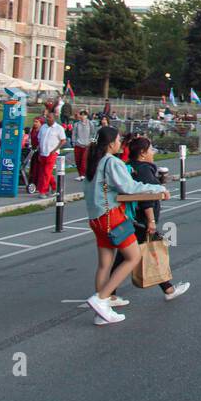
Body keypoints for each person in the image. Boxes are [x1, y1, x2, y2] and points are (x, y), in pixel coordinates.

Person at [83, 126, 169, 325]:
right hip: (112, 216)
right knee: (133, 256)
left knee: (104, 264)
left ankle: (101, 312)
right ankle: (102, 298)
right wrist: (158, 187)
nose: (121, 143)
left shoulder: (93, 162)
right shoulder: (112, 162)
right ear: (111, 143)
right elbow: (130, 187)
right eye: (119, 140)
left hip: (96, 218)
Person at [126, 136, 190, 301]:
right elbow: (146, 196)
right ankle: (168, 289)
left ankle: (108, 293)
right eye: (150, 149)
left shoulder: (131, 167)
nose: (153, 152)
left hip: (134, 218)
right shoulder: (144, 169)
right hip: (142, 220)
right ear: (142, 153)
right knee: (152, 252)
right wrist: (151, 220)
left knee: (125, 255)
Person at [35, 111, 67, 195]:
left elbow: (63, 141)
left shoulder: (59, 128)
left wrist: (55, 150)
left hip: (52, 153)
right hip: (43, 152)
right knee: (44, 172)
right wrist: (39, 149)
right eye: (47, 117)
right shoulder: (43, 127)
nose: (47, 119)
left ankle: (43, 191)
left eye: (49, 117)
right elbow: (39, 139)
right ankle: (54, 187)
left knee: (46, 172)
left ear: (54, 118)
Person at [71, 110, 94, 178]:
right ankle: (80, 174)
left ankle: (83, 174)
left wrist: (91, 141)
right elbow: (74, 134)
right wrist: (74, 142)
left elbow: (93, 133)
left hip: (87, 145)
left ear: (87, 116)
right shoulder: (76, 124)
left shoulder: (90, 124)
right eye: (82, 115)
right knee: (78, 160)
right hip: (78, 145)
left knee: (84, 161)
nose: (83, 116)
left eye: (84, 115)